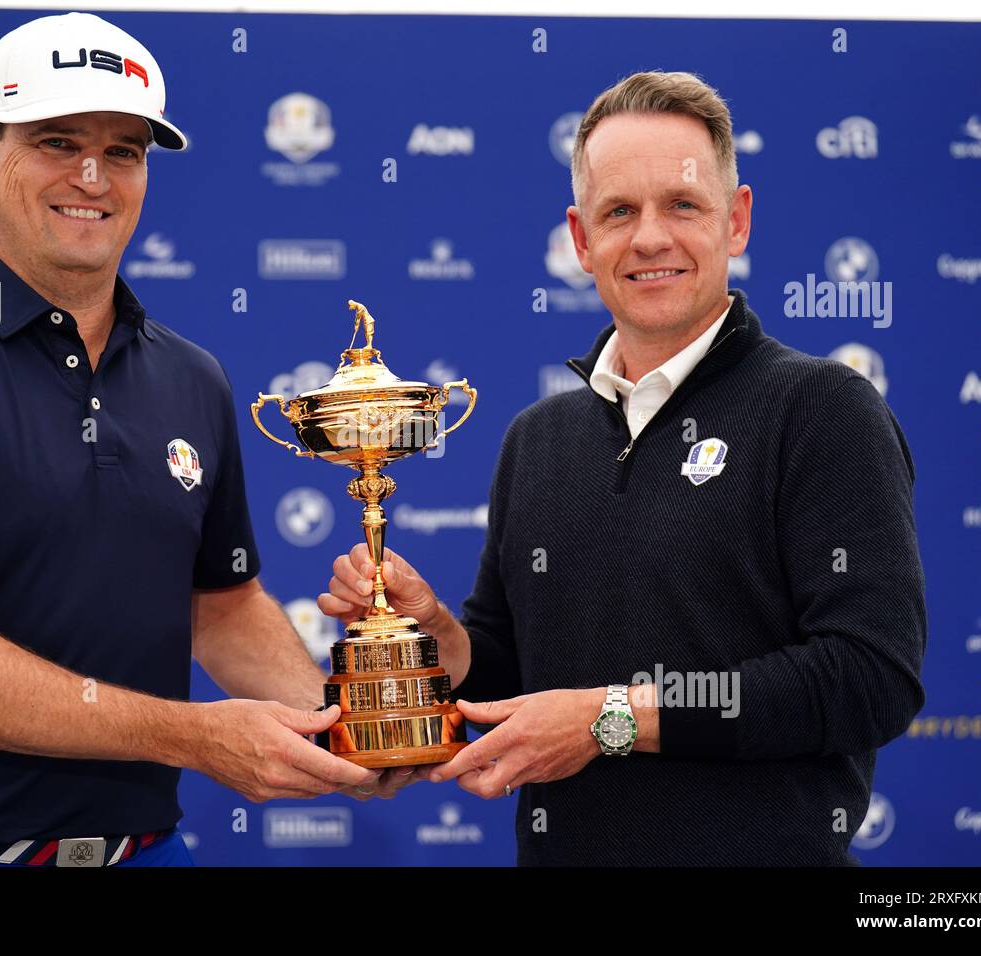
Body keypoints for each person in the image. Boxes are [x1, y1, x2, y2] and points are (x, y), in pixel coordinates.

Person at [0, 12, 411, 870]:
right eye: (58, 142)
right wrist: (193, 737)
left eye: (124, 151)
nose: (93, 177)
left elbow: (223, 605)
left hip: (146, 854)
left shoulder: (192, 377)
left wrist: (345, 731)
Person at [321, 70, 927, 866]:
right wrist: (436, 634)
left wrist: (611, 720)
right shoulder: (537, 438)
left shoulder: (822, 408)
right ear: (580, 239)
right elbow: (504, 668)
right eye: (619, 212)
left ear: (736, 220)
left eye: (682, 205)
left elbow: (867, 676)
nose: (649, 239)